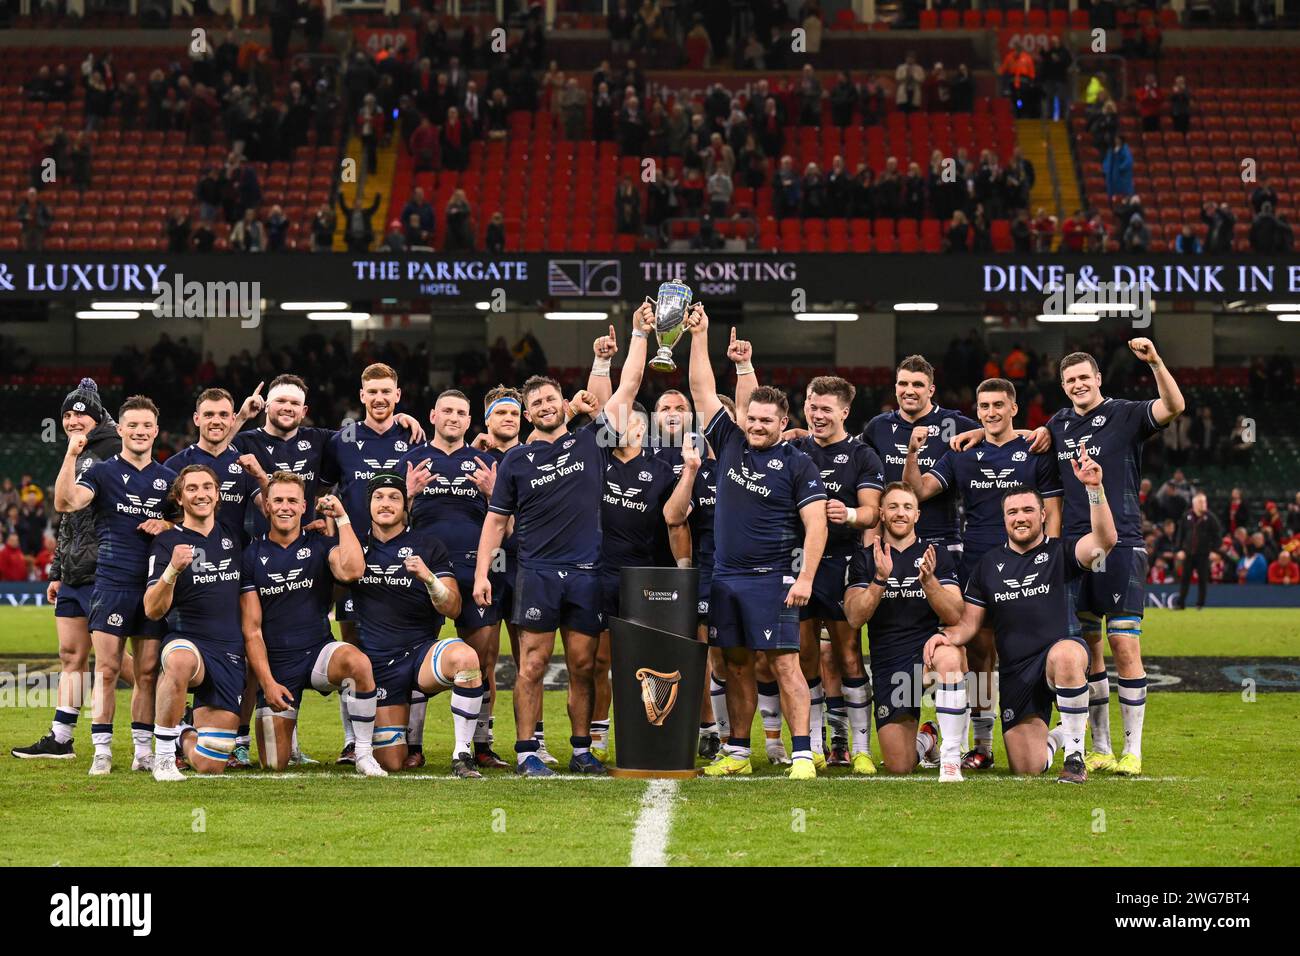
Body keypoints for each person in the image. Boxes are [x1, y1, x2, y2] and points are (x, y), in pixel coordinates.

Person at [472, 308, 650, 777]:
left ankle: (580, 750)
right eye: (537, 404)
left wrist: (637, 334)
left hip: (587, 574)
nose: (545, 407)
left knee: (584, 665)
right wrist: (479, 575)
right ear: (529, 414)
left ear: (563, 404)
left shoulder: (592, 441)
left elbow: (628, 388)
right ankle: (529, 751)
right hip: (537, 573)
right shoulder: (517, 461)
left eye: (551, 399)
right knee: (529, 665)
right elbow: (494, 523)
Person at [1022, 341, 1183, 776]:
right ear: (1063, 386)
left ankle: (1133, 751)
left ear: (1098, 380)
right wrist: (978, 434)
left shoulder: (1126, 415)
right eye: (1069, 380)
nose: (1077, 384)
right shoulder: (1056, 425)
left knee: (1124, 644)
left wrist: (1155, 362)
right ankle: (1101, 747)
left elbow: (1173, 406)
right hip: (1076, 549)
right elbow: (1015, 434)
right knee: (1087, 648)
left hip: (1123, 541)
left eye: (1083, 378)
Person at [686, 305, 828, 780]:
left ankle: (803, 754)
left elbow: (817, 525)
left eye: (768, 420)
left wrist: (805, 577)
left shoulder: (798, 463)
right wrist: (700, 334)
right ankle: (739, 752)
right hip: (726, 579)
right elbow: (701, 390)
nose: (759, 425)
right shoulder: (728, 441)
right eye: (753, 418)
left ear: (783, 421)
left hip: (775, 579)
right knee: (737, 665)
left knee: (786, 665)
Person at [928, 449, 1116, 784]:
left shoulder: (1061, 552)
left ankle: (1075, 755)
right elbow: (970, 623)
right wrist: (948, 636)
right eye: (1012, 512)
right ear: (1004, 520)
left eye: (1028, 510)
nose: (1020, 517)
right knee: (1027, 767)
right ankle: (1061, 734)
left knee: (1069, 653)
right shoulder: (987, 565)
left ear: (1043, 515)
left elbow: (1105, 540)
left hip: (1054, 660)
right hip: (1016, 673)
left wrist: (1095, 488)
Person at [904, 378, 1062, 769]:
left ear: (1013, 408)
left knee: (1026, 647)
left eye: (998, 405)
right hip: (978, 564)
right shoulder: (961, 454)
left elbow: (1053, 510)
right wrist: (911, 454)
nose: (991, 413)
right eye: (984, 407)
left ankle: (1061, 731)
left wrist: (1050, 559)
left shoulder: (1035, 450)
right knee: (979, 653)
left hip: (1029, 565)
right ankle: (983, 743)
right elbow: (919, 491)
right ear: (977, 411)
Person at [53, 396, 176, 775]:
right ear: (120, 429)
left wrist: (168, 525)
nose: (140, 432)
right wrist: (71, 456)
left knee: (147, 672)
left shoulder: (169, 480)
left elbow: (190, 525)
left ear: (156, 431)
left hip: (153, 587)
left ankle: (143, 751)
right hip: (111, 582)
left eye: (146, 426)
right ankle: (102, 750)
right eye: (132, 426)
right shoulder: (102, 471)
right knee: (106, 669)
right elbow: (65, 502)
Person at [13, 381, 132, 759]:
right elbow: (67, 519)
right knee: (70, 654)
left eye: (80, 412)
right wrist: (57, 571)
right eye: (67, 413)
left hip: (105, 570)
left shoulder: (116, 447)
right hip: (75, 573)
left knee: (112, 659)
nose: (72, 419)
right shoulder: (75, 452)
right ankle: (61, 737)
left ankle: (174, 709)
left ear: (96, 416)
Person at [240, 474, 383, 776]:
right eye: (278, 500)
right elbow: (252, 630)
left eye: (292, 500)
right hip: (277, 665)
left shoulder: (320, 545)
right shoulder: (251, 555)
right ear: (266, 505)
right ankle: (285, 733)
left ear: (304, 506)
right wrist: (267, 682)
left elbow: (355, 569)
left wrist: (342, 517)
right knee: (273, 764)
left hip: (318, 653)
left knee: (357, 662)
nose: (285, 507)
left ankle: (363, 753)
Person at [347, 474, 484, 777]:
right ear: (368, 504)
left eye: (394, 497)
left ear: (405, 505)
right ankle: (399, 716)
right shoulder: (355, 547)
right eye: (379, 497)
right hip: (378, 665)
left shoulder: (427, 546)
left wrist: (430, 580)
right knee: (390, 763)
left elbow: (453, 606)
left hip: (420, 655)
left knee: (466, 659)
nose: (386, 503)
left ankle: (462, 752)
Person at [400, 389, 508, 771]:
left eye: (462, 412)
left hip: (476, 570)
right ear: (432, 415)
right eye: (447, 410)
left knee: (483, 659)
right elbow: (388, 521)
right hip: (422, 571)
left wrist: (494, 494)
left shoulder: (486, 462)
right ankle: (413, 745)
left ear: (469, 419)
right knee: (413, 654)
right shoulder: (410, 461)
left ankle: (480, 745)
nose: (454, 417)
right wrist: (408, 496)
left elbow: (506, 525)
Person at [588, 401, 697, 760]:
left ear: (640, 429)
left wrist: (683, 569)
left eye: (629, 422)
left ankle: (647, 733)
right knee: (600, 661)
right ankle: (598, 736)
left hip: (644, 579)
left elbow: (676, 521)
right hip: (598, 573)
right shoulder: (595, 461)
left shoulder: (662, 470)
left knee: (644, 664)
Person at [788, 377, 883, 771]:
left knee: (846, 654)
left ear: (845, 412)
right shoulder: (793, 448)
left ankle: (859, 748)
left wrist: (849, 515)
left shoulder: (863, 455)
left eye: (826, 408)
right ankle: (811, 745)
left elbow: (873, 512)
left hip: (844, 563)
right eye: (812, 405)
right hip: (798, 563)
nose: (817, 414)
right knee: (805, 655)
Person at [844, 483, 965, 779]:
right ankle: (927, 738)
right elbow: (854, 618)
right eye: (894, 507)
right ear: (882, 513)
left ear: (917, 515)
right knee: (900, 766)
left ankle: (950, 760)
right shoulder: (864, 558)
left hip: (927, 656)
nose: (901, 513)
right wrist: (879, 580)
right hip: (889, 665)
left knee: (951, 657)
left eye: (907, 507)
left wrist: (930, 583)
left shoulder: (935, 555)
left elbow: (955, 614)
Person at [144, 465, 244, 780]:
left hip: (228, 650)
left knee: (210, 763)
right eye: (191, 489)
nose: (200, 494)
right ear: (179, 498)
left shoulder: (234, 536)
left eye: (206, 488)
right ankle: (162, 759)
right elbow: (152, 609)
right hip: (189, 641)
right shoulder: (166, 543)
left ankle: (182, 733)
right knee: (180, 660)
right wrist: (172, 570)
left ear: (217, 495)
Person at [1174, 493, 1222, 611]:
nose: (1204, 504)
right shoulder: (1187, 516)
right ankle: (1181, 604)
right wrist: (1179, 549)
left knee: (1203, 579)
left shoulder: (1210, 518)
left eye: (1204, 502)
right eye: (1201, 502)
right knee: (1185, 578)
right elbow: (1181, 534)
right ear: (1194, 504)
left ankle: (1200, 604)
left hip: (1204, 554)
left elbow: (1218, 535)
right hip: (1188, 553)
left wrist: (1215, 551)